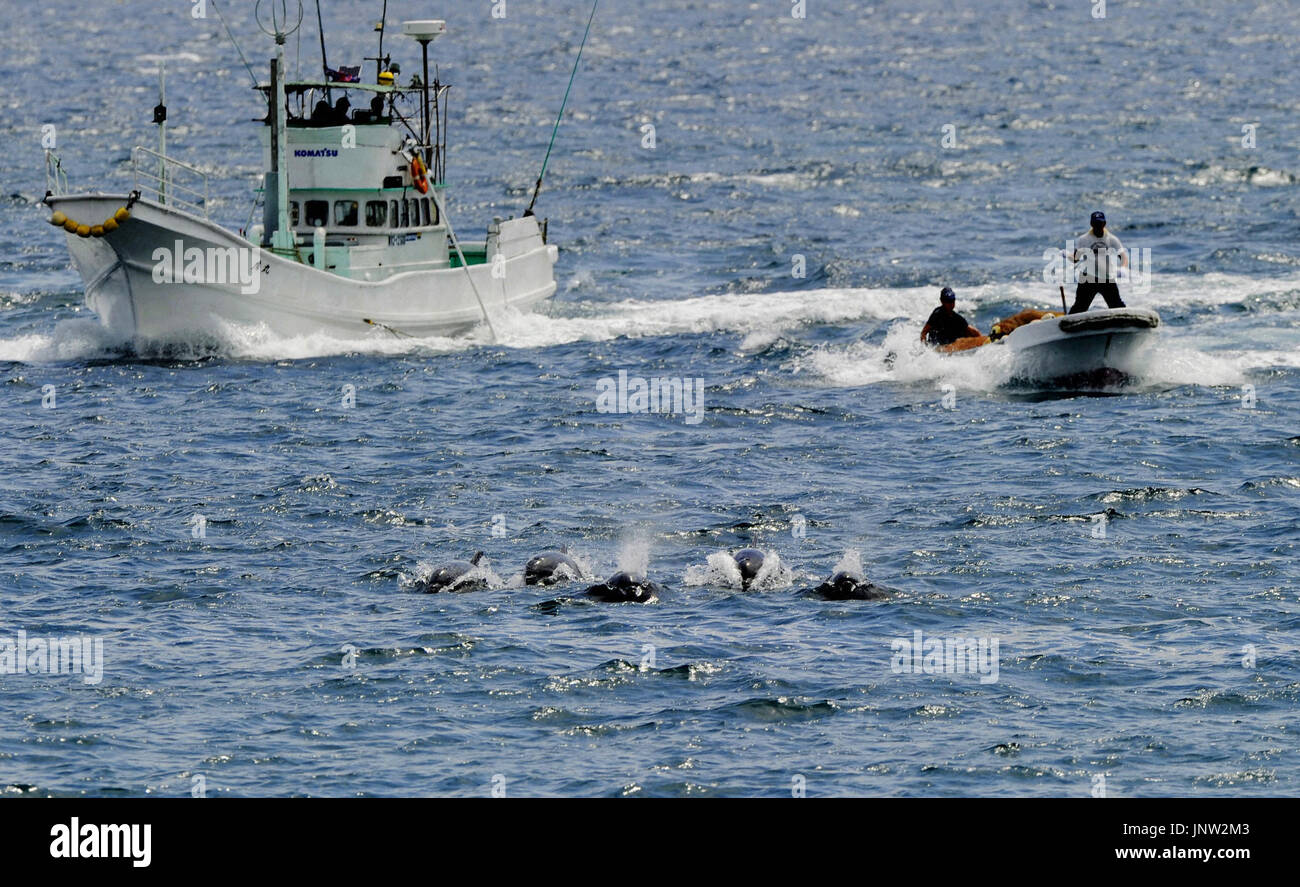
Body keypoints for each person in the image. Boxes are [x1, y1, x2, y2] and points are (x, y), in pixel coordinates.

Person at [1068, 211, 1127, 314]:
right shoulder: (1084, 239)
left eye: (1100, 223)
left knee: (1116, 305)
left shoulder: (1112, 239)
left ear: (1104, 223)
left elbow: (1123, 257)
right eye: (1096, 224)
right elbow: (1075, 259)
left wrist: (1123, 268)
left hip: (1106, 276)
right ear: (1091, 224)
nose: (1098, 226)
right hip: (1088, 277)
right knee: (1080, 307)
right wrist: (1067, 255)